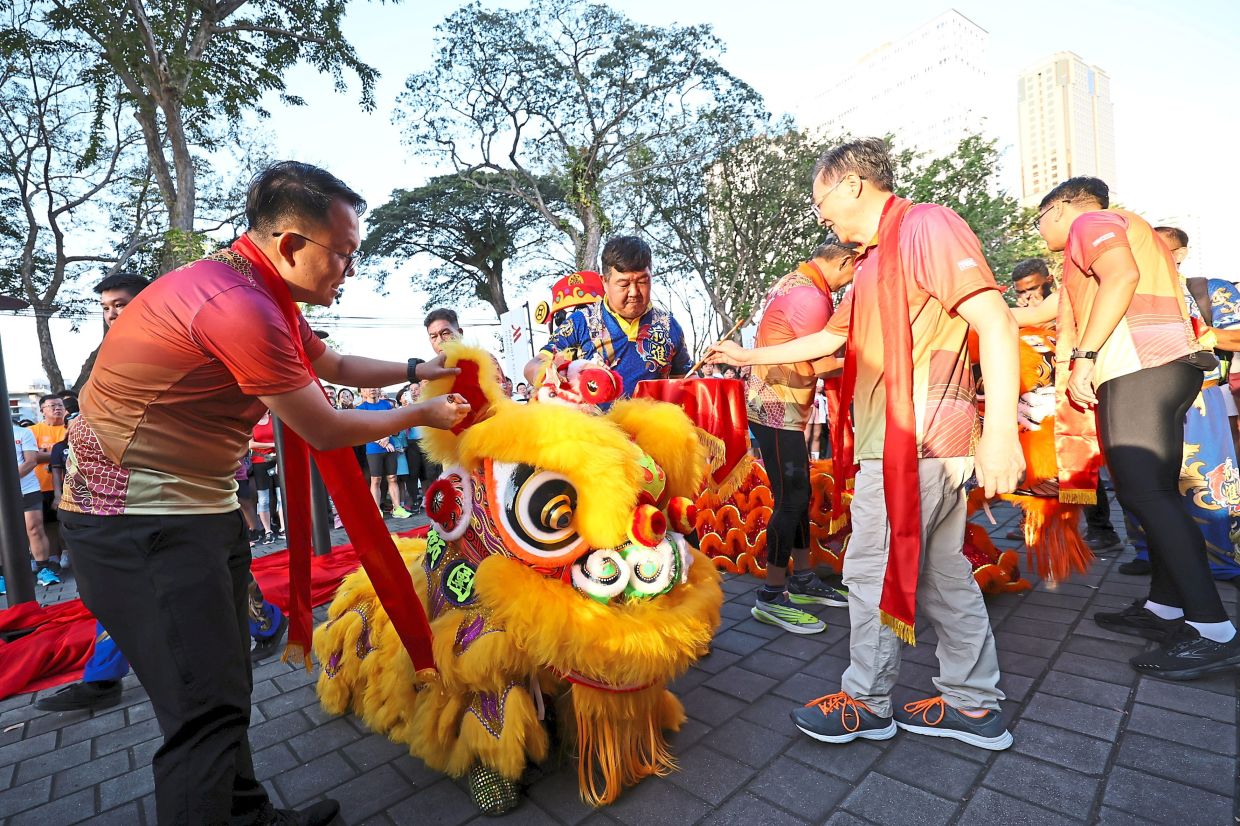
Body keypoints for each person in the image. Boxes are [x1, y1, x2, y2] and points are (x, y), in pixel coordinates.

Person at [58, 160, 469, 826]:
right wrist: (421, 412)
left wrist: (423, 369)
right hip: (139, 526)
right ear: (289, 246)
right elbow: (327, 426)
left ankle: (247, 816)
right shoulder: (238, 306)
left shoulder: (253, 284)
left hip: (194, 510)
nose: (348, 270)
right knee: (203, 714)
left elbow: (332, 365)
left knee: (223, 688)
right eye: (342, 254)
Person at [712, 138, 1022, 750]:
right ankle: (974, 704)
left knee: (870, 567)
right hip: (907, 440)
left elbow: (996, 320)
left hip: (921, 438)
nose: (820, 216)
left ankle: (867, 700)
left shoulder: (926, 227)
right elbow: (830, 341)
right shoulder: (875, 260)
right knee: (942, 575)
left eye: (820, 200)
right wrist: (750, 354)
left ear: (853, 185)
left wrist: (1004, 433)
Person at [1033, 176, 1239, 679]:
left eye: (1040, 220)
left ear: (1059, 208)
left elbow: (1120, 278)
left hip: (1138, 366)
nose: (1040, 232)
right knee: (1153, 493)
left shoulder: (1091, 222)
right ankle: (1165, 608)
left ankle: (1214, 631)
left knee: (1147, 494)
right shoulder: (1124, 228)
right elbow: (1044, 311)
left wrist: (1083, 358)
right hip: (1167, 367)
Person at [746, 241, 857, 635]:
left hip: (781, 407)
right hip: (776, 407)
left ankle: (803, 578)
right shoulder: (812, 296)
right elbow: (824, 361)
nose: (852, 280)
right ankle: (772, 595)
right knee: (791, 497)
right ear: (845, 261)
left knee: (796, 494)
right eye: (853, 270)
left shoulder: (796, 284)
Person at [524, 236, 691, 402]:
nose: (634, 292)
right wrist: (558, 374)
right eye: (624, 284)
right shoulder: (581, 322)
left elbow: (685, 379)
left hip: (653, 425)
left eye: (642, 282)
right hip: (593, 426)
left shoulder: (669, 326)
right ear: (604, 282)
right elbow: (533, 366)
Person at [29, 394, 67, 584]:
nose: (57, 408)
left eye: (60, 405)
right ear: (42, 409)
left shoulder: (70, 427)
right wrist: (59, 453)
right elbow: (31, 457)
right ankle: (50, 560)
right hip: (40, 486)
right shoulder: (32, 431)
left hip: (67, 486)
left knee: (62, 524)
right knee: (43, 525)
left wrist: (45, 454)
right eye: (51, 405)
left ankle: (65, 556)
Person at [356, 388, 412, 518]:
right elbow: (362, 430)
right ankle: (376, 511)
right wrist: (380, 440)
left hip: (389, 447)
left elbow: (395, 423)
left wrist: (387, 438)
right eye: (368, 388)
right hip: (373, 449)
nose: (372, 390)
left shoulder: (387, 404)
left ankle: (397, 508)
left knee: (393, 477)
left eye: (374, 387)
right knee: (375, 479)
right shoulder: (361, 408)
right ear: (362, 392)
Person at [11, 421, 43, 593]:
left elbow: (31, 461)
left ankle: (44, 568)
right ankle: (3, 575)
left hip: (27, 489)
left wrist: (8, 480)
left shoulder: (22, 433)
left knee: (34, 528)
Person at [249, 410, 284, 543]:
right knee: (263, 499)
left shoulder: (274, 418)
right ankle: (267, 530)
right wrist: (273, 445)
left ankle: (283, 527)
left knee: (281, 495)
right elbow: (250, 444)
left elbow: (282, 436)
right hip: (260, 462)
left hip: (277, 460)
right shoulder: (251, 422)